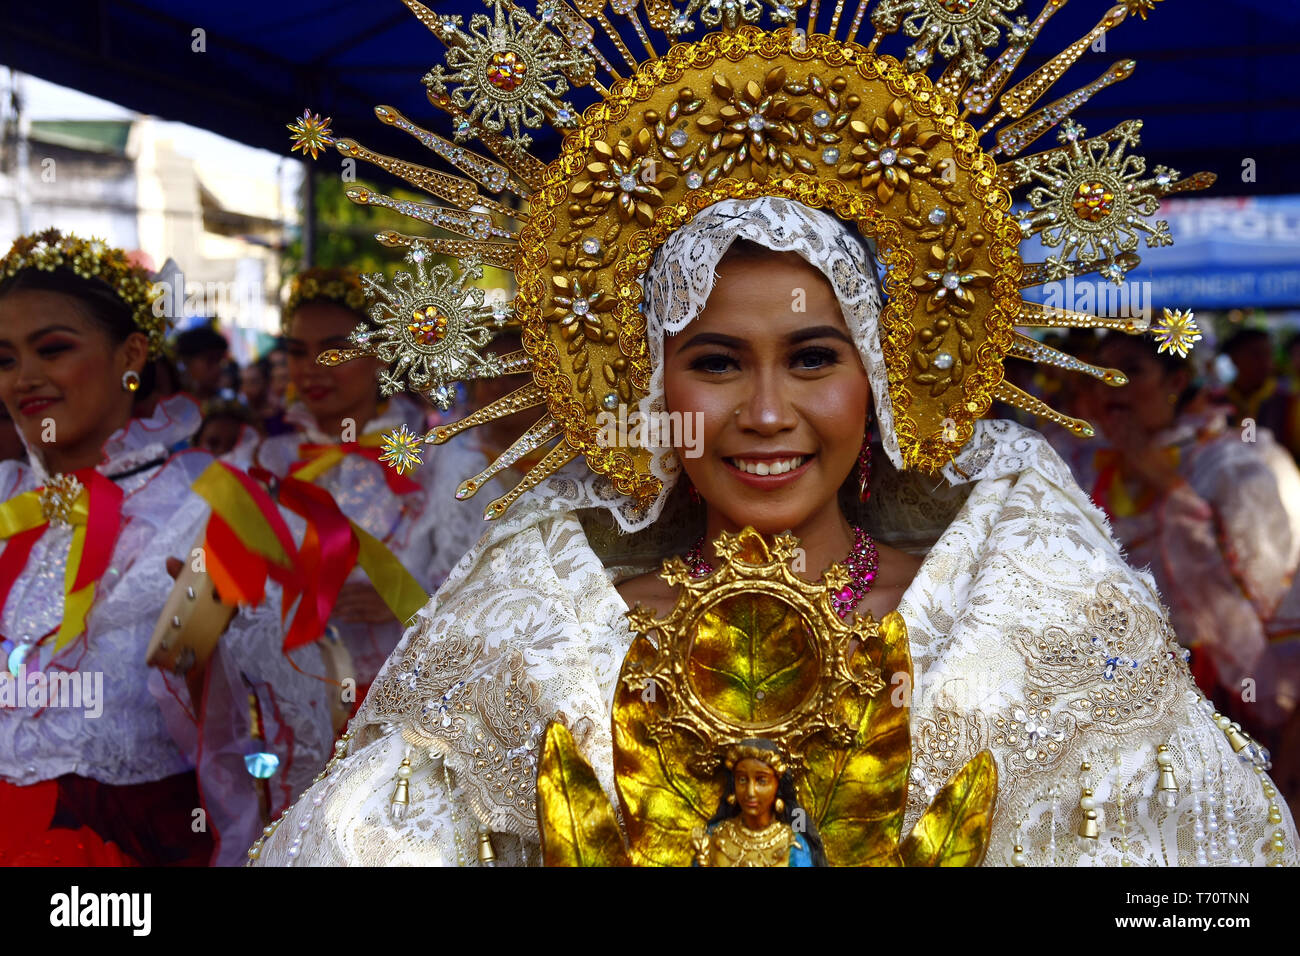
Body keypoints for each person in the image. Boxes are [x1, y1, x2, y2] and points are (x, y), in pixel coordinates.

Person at [251, 5, 1293, 867]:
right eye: (712, 362)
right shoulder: (537, 627)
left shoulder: (1021, 612)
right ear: (647, 381)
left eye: (810, 358)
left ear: (879, 378)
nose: (761, 412)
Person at [0, 230, 333, 866]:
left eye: (52, 349)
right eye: (5, 358)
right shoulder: (9, 506)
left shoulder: (205, 509)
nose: (26, 379)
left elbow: (279, 737)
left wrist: (210, 661)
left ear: (131, 356)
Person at [1051, 333, 1300, 759]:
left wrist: (1167, 486)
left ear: (1177, 380)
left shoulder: (1236, 464)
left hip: (1217, 684)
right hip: (1111, 688)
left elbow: (1272, 592)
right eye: (1099, 373)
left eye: (1132, 370)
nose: (1111, 383)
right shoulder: (1083, 465)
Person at [252, 267, 485, 694]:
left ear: (381, 352)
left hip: (407, 709)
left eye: (336, 350)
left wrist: (410, 601)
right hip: (298, 703)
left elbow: (491, 593)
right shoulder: (269, 461)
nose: (313, 368)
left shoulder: (439, 458)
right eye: (298, 351)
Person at [1219, 328, 1300, 461]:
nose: (1265, 362)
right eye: (1255, 354)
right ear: (1234, 358)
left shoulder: (1291, 404)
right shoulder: (1215, 402)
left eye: (1268, 354)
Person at [175, 322, 230, 403]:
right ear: (186, 361)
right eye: (210, 360)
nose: (217, 369)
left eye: (219, 361)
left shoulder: (229, 404)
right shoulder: (170, 406)